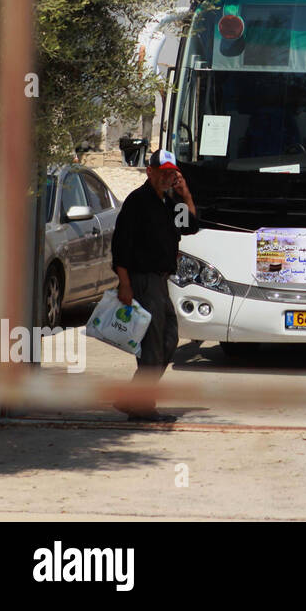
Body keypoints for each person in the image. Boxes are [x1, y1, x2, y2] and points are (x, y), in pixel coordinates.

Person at [109, 148, 199, 422]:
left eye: (172, 173)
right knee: (153, 344)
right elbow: (120, 247)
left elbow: (190, 226)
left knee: (169, 337)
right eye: (163, 173)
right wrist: (125, 284)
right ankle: (142, 406)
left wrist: (185, 194)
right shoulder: (138, 202)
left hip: (160, 282)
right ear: (150, 172)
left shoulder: (167, 202)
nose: (167, 177)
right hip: (144, 281)